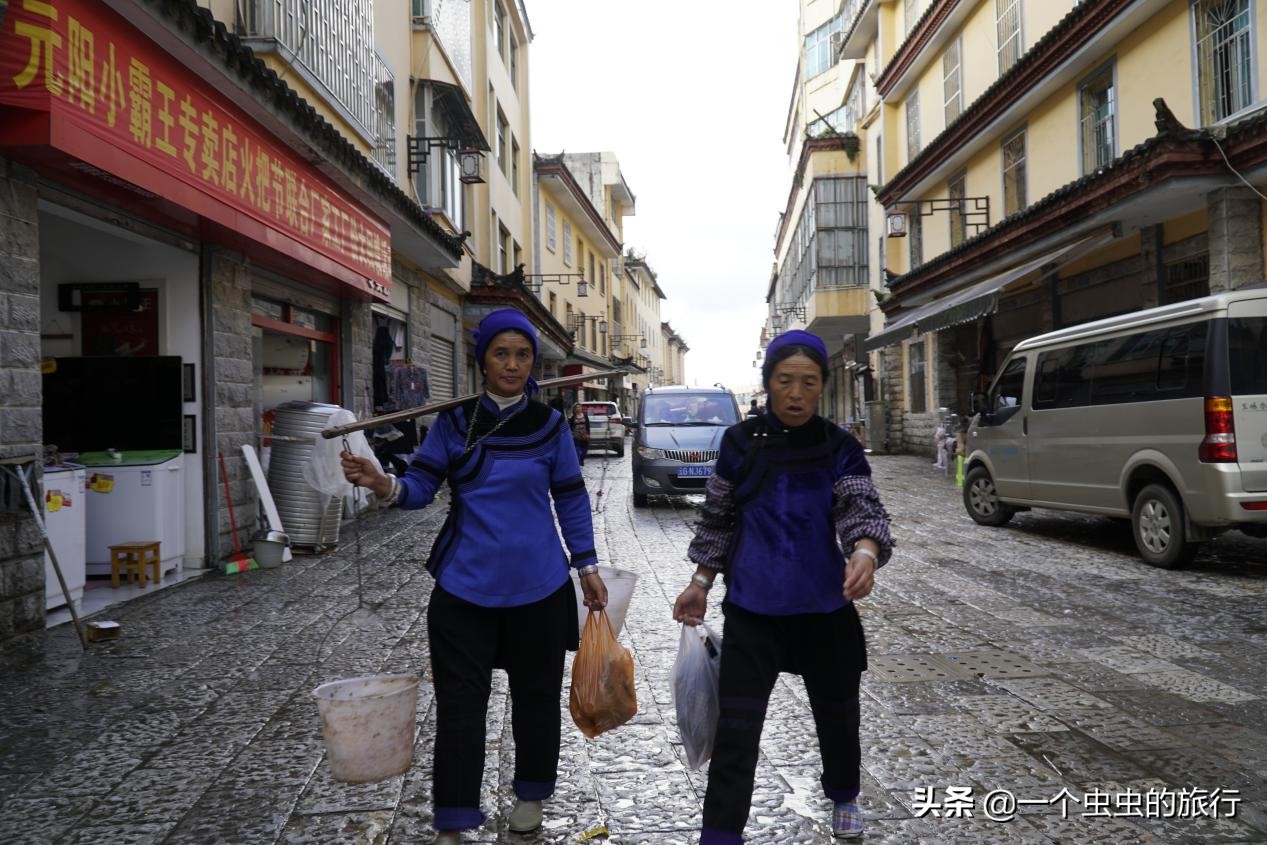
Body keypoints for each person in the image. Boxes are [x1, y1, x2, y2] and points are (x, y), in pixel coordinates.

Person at [340, 308, 608, 845]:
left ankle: (530, 793)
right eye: (501, 354)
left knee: (535, 699)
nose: (512, 365)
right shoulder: (453, 424)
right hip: (464, 588)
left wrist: (587, 565)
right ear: (482, 360)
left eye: (522, 355)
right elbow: (420, 488)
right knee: (461, 707)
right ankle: (456, 815)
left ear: (533, 362)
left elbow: (571, 497)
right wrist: (383, 483)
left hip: (540, 586)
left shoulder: (550, 426)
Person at [672, 328, 894, 843]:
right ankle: (720, 831)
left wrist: (865, 550)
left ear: (822, 386)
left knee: (837, 716)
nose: (796, 394)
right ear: (768, 382)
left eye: (809, 383)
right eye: (785, 381)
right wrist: (701, 581)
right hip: (754, 612)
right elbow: (718, 520)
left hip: (825, 609)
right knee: (738, 729)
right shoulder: (739, 444)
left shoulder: (839, 446)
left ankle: (844, 796)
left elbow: (862, 507)